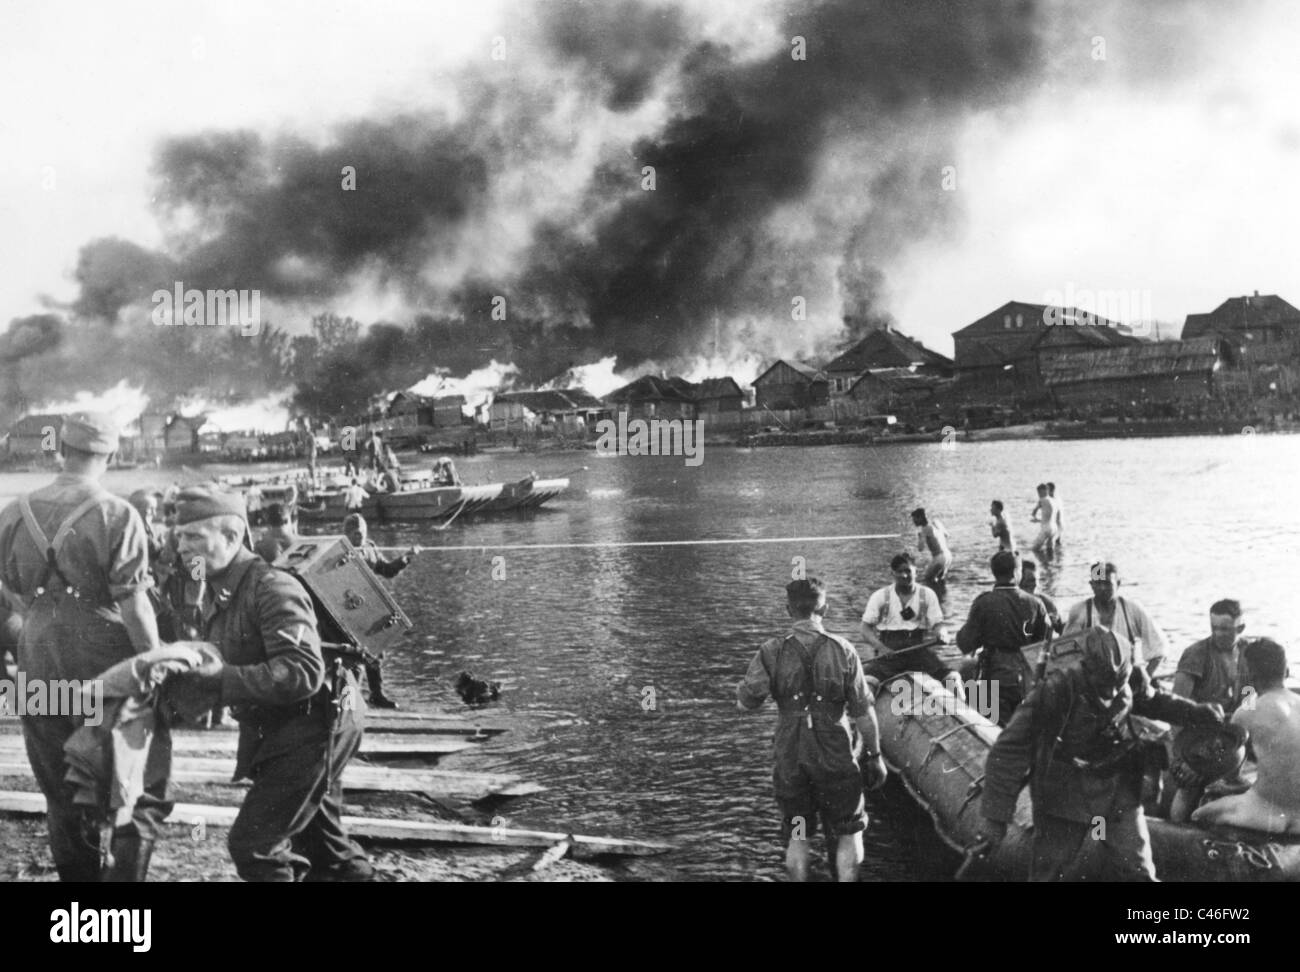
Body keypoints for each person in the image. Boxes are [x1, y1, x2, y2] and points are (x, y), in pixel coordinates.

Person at [165, 486, 373, 881]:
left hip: (316, 724)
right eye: (178, 537)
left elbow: (302, 671)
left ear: (230, 536)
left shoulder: (271, 587)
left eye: (192, 536)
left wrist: (219, 677)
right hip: (286, 726)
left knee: (254, 845)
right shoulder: (221, 586)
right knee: (326, 848)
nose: (180, 547)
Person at [0, 413, 169, 881]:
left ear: (62, 452)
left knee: (58, 787)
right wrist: (154, 668)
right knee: (125, 780)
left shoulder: (13, 512)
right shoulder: (118, 514)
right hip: (103, 662)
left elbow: (9, 595)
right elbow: (135, 605)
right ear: (110, 456)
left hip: (38, 657)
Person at [978, 628, 1224, 881]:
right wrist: (995, 817)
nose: (1113, 691)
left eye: (1120, 682)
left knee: (1139, 870)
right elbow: (1009, 749)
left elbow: (1153, 701)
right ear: (1088, 668)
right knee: (1048, 873)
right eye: (1106, 683)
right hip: (1066, 793)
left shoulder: (1132, 678)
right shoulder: (1057, 690)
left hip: (1119, 788)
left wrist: (1195, 712)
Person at [737, 578, 887, 882]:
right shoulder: (844, 650)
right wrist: (874, 755)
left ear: (788, 609)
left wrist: (742, 690)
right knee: (848, 829)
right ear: (825, 608)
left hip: (792, 751)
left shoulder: (770, 651)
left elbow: (747, 704)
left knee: (798, 833)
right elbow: (863, 713)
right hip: (835, 749)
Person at [1192, 639, 1300, 834]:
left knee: (1199, 814)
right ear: (1286, 671)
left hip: (1270, 813)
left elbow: (1230, 773)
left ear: (1250, 674)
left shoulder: (1247, 710)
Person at [1167, 601, 1253, 820]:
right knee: (1189, 786)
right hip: (1195, 734)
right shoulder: (1196, 655)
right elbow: (1176, 709)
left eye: (1224, 629)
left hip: (1230, 734)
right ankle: (1178, 831)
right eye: (1213, 627)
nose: (1217, 633)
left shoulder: (1248, 655)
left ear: (1240, 629)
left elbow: (1250, 702)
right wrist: (1184, 757)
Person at [956, 552, 1048, 726]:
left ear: (994, 573)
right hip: (1026, 676)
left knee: (989, 722)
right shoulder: (1035, 603)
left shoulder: (984, 602)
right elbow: (1042, 644)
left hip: (994, 673)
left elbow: (966, 643)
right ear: (1016, 572)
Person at [343, 513, 417, 709]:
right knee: (351, 655)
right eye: (356, 534)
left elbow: (386, 570)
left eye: (363, 534)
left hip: (369, 605)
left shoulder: (370, 548)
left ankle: (376, 694)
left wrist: (405, 558)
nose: (360, 538)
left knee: (375, 651)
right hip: (346, 606)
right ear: (348, 534)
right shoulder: (340, 551)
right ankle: (349, 699)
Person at [859, 553, 959, 694]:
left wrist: (942, 633)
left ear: (916, 571)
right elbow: (865, 628)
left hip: (917, 651)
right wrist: (881, 648)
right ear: (892, 573)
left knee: (953, 678)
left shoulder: (927, 594)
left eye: (908, 571)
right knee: (867, 684)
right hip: (890, 653)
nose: (905, 576)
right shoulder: (880, 596)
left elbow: (938, 624)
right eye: (900, 572)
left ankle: (963, 713)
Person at [1062, 562, 1167, 675]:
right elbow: (1065, 655)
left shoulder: (1132, 609)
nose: (1102, 588)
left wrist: (1146, 677)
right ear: (1091, 584)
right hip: (1093, 681)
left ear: (1118, 584)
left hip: (1126, 677)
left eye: (1107, 583)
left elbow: (1159, 647)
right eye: (1098, 583)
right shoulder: (1079, 611)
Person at [1018, 561, 1063, 633]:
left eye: (1034, 580)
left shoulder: (1045, 601)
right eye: (1028, 581)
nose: (1033, 584)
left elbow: (1062, 630)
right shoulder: (1009, 604)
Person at [911, 507, 952, 585]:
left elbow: (920, 548)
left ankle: (934, 595)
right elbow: (947, 535)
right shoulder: (936, 522)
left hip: (939, 558)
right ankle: (942, 595)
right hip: (948, 556)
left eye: (915, 519)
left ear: (920, 518)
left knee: (927, 580)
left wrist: (920, 537)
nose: (914, 522)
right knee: (941, 579)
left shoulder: (925, 529)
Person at [1029, 484, 1058, 556]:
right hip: (1054, 528)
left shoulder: (1042, 499)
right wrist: (1038, 520)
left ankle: (1042, 563)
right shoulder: (1053, 500)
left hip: (1046, 529)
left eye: (1039, 492)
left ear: (1044, 491)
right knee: (1050, 550)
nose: (1038, 495)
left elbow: (1033, 512)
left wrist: (1034, 515)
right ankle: (1049, 565)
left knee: (1034, 550)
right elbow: (1049, 517)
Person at [1046, 482, 1064, 547]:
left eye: (1047, 489)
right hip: (1057, 524)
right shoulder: (1055, 499)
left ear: (1052, 490)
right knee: (1056, 543)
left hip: (1055, 524)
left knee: (1052, 544)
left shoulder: (1054, 500)